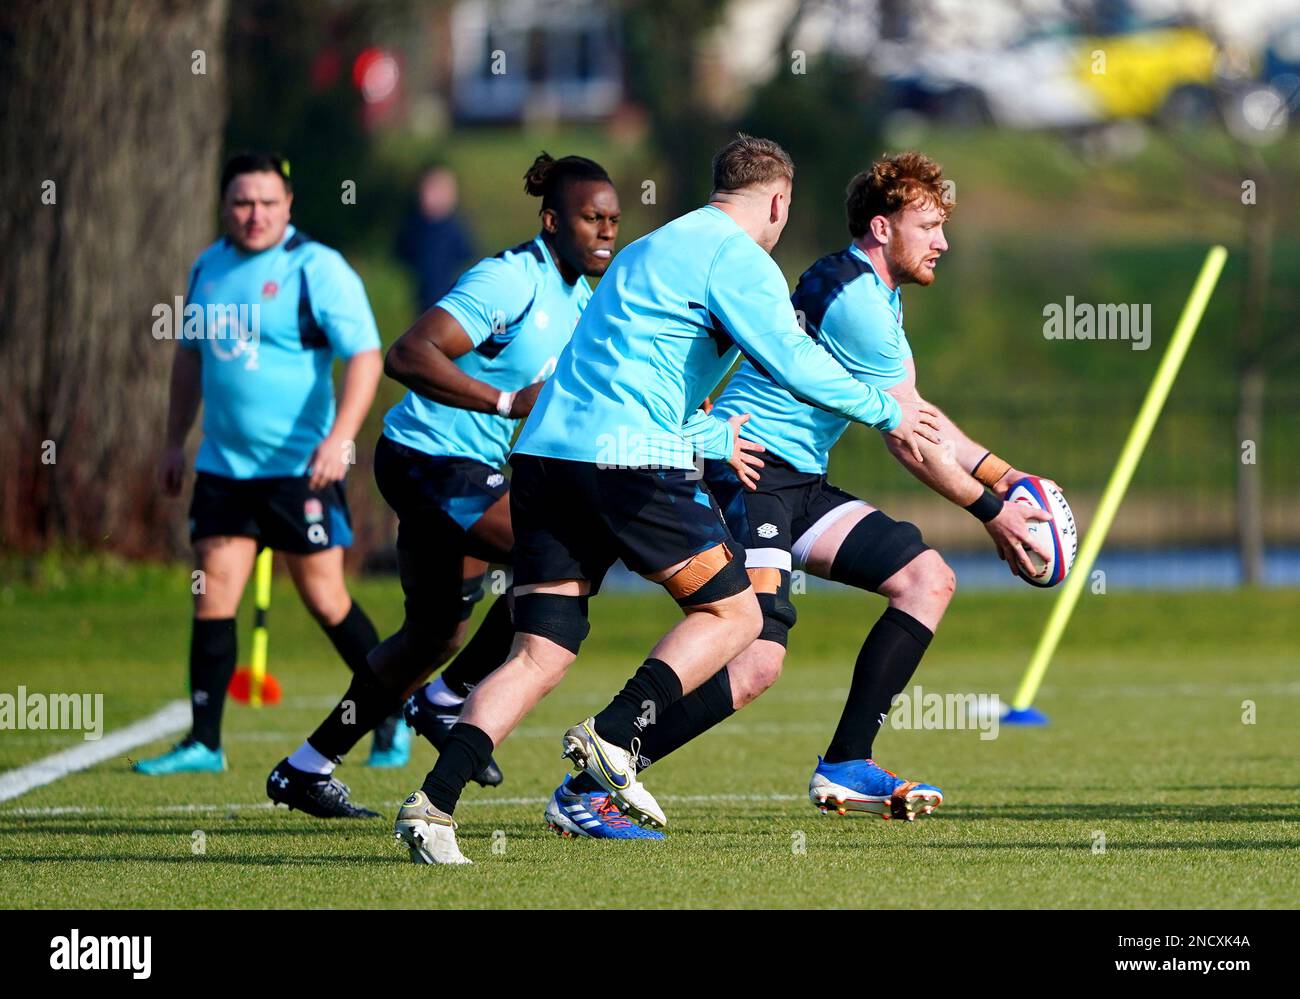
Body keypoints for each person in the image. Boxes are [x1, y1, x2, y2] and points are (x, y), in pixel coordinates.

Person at [393, 135, 942, 863]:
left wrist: (710, 433)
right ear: (778, 200)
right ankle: (615, 734)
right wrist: (886, 409)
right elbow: (794, 359)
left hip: (542, 455)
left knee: (540, 651)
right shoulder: (742, 259)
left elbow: (627, 365)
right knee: (737, 613)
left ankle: (433, 804)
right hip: (627, 460)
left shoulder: (646, 250)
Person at [550, 151, 1054, 831]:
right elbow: (909, 439)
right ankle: (592, 781)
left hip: (798, 481)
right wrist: (996, 510)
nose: (943, 241)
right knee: (754, 653)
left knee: (926, 579)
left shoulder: (874, 294)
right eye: (929, 225)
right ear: (882, 227)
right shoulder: (857, 303)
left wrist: (1007, 477)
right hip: (751, 472)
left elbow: (919, 415)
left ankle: (847, 760)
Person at [265, 153, 625, 819]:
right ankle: (446, 697)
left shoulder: (581, 297)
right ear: (551, 220)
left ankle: (305, 767)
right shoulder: (511, 278)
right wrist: (502, 399)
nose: (604, 231)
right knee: (557, 557)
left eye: (612, 220)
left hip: (458, 471)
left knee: (429, 637)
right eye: (589, 217)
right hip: (428, 459)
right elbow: (409, 351)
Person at [139, 152, 387, 776]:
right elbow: (190, 357)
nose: (254, 215)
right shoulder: (208, 268)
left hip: (301, 470)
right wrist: (175, 441)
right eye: (243, 203)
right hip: (224, 467)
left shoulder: (316, 269)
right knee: (213, 595)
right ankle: (204, 742)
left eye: (267, 203)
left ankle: (389, 716)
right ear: (224, 206)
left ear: (288, 205)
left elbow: (364, 355)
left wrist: (340, 438)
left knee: (326, 598)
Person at [396, 165, 475, 313]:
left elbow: (467, 257)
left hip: (452, 301)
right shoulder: (414, 227)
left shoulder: (457, 229)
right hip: (423, 301)